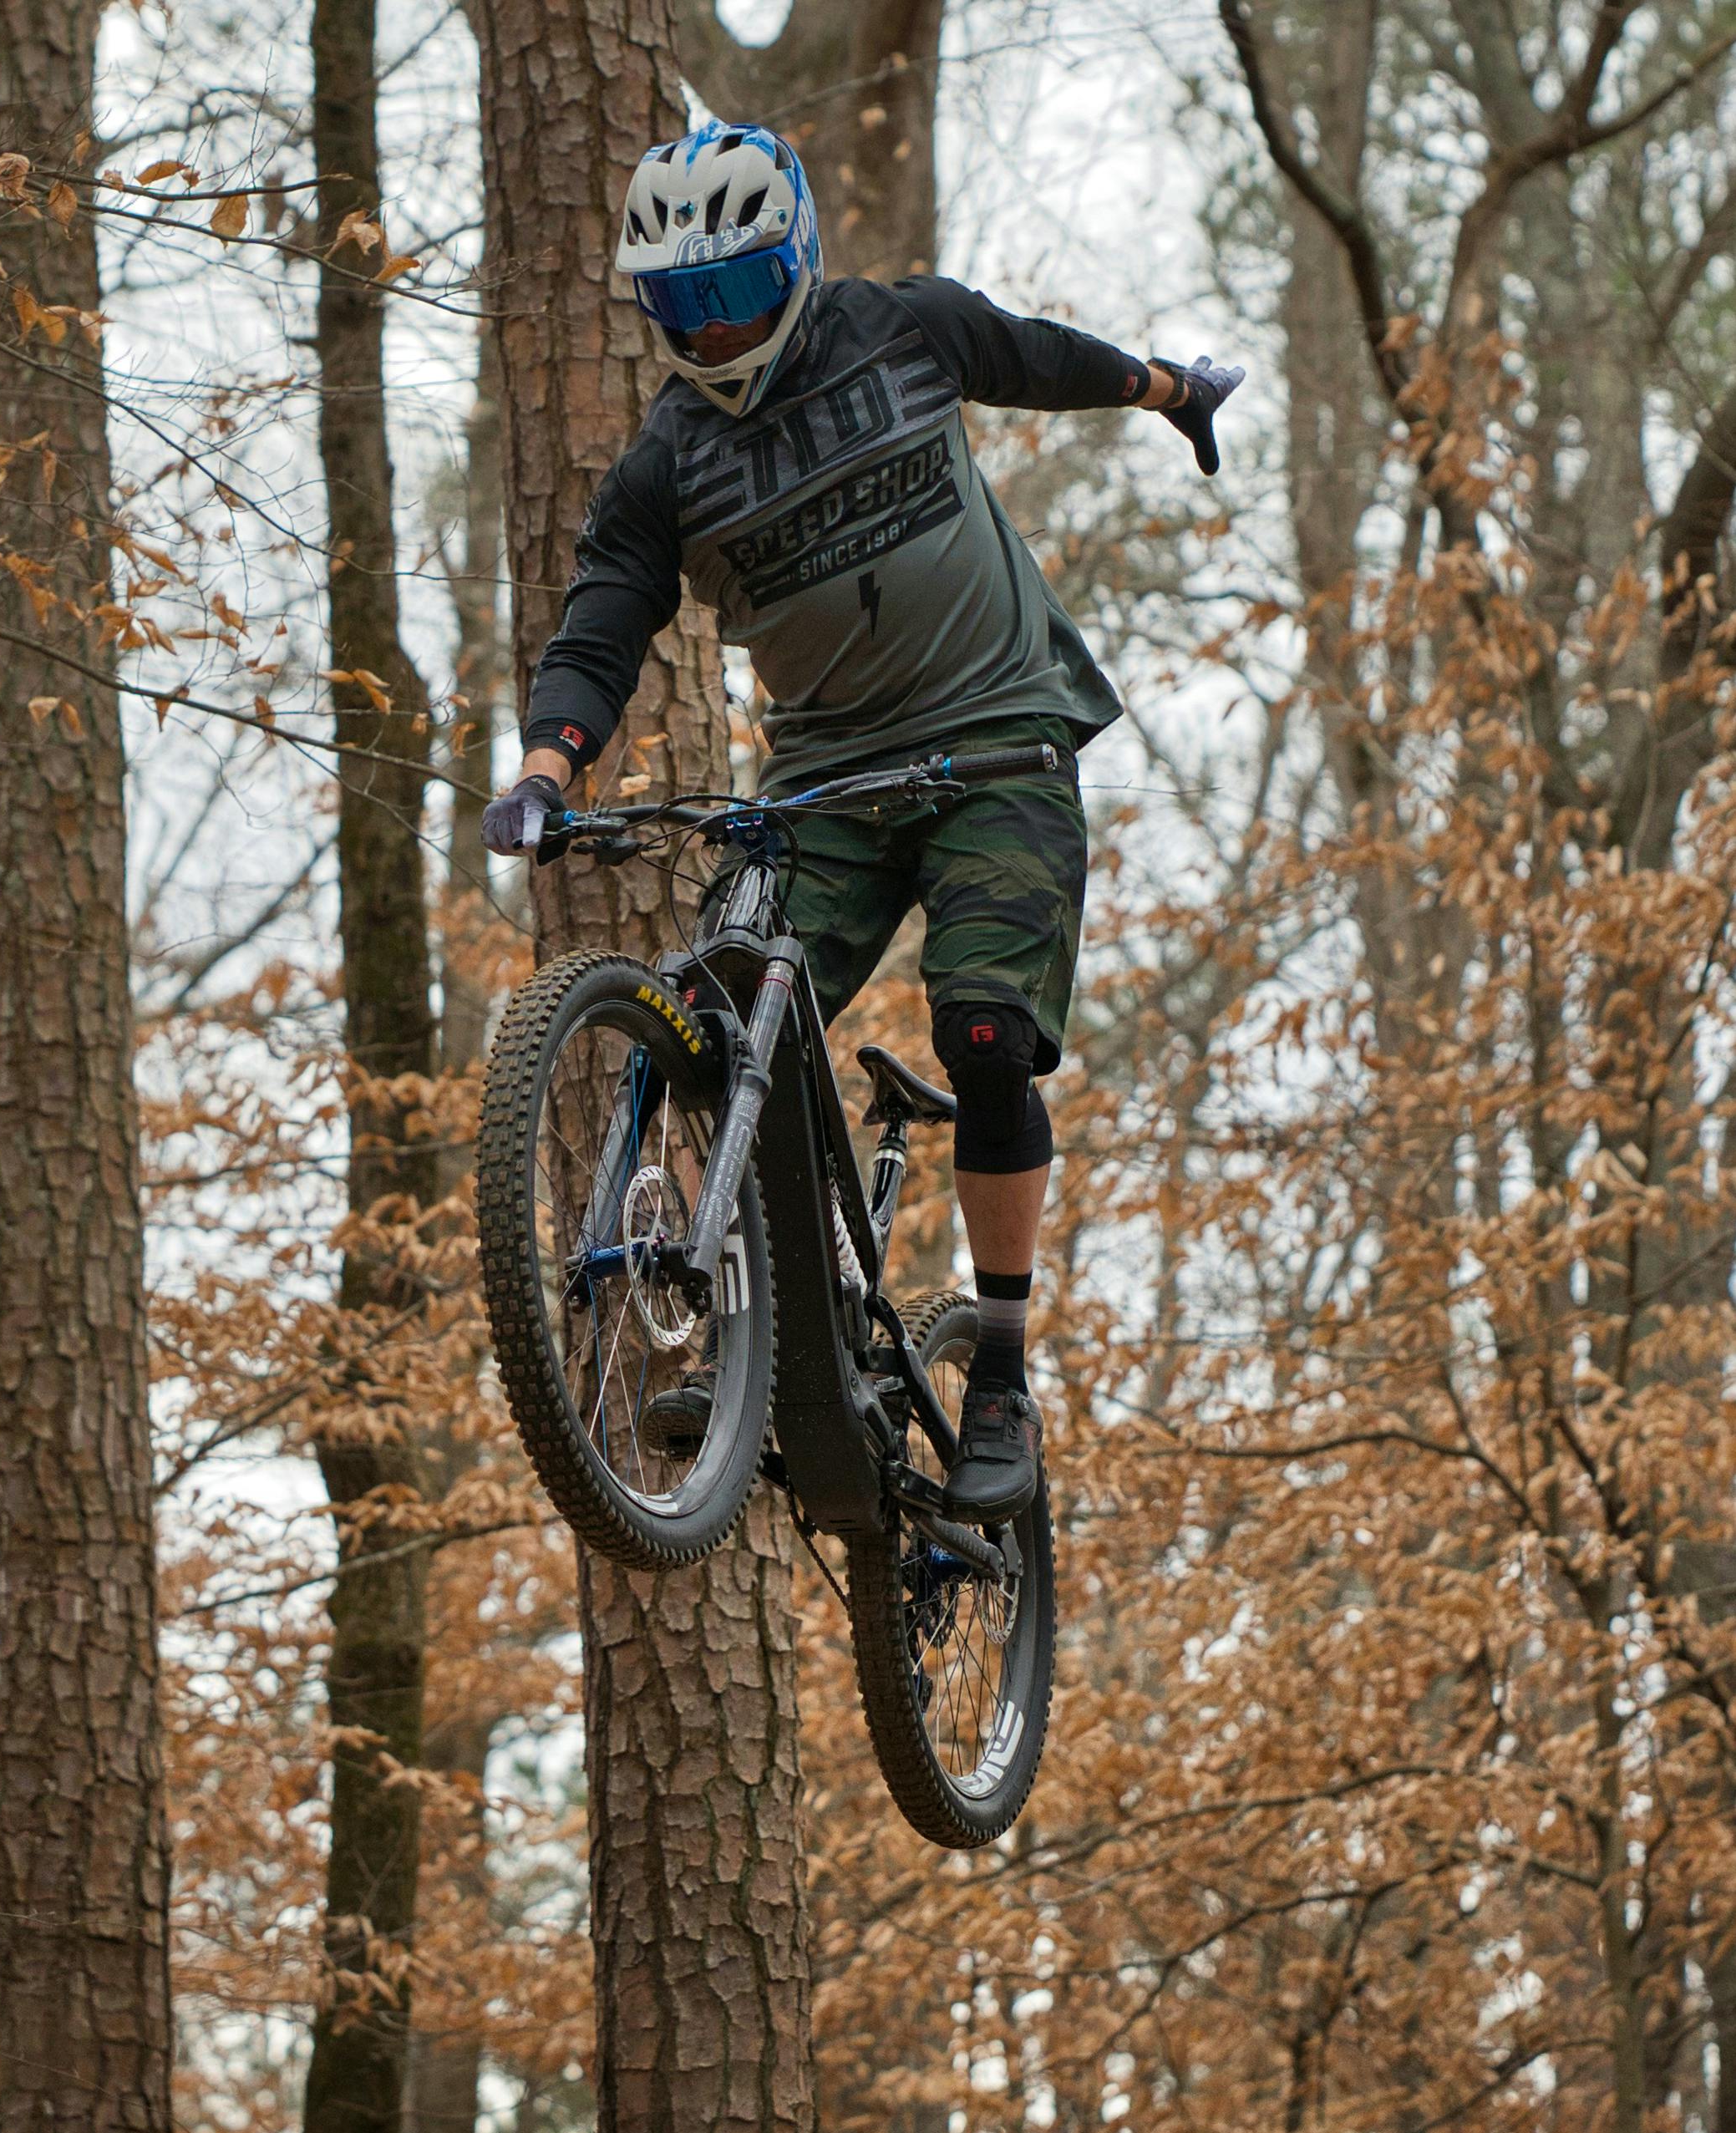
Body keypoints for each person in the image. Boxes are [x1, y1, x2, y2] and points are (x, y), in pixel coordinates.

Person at [482, 122, 1239, 1520]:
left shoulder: (901, 332)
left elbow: (1038, 354)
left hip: (1000, 745)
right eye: (682, 305)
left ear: (799, 259)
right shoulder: (666, 465)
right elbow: (600, 628)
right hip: (825, 786)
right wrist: (542, 770)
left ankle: (1000, 1374)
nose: (714, 329)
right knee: (719, 1019)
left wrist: (1167, 386)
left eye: (736, 292)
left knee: (986, 1034)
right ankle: (769, 1330)